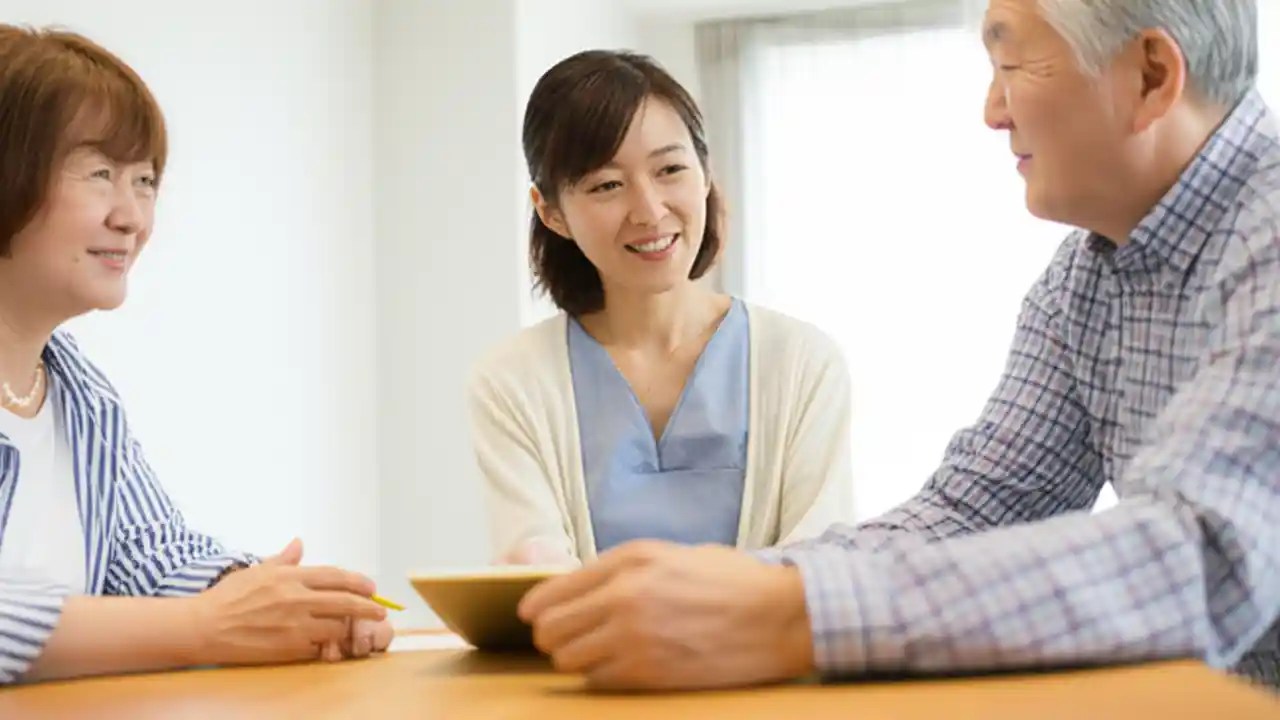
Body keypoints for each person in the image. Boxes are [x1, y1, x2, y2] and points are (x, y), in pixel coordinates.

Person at [518, 0, 1280, 691]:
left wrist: (793, 612)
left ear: (1150, 75)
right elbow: (979, 505)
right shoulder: (1084, 280)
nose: (991, 111)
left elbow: (1203, 554)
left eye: (1013, 65)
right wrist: (721, 592)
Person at [0, 25, 392, 685]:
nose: (132, 216)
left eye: (145, 180)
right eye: (100, 174)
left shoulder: (79, 396)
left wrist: (287, 604)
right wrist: (205, 627)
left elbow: (149, 555)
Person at [468, 50, 854, 566]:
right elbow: (532, 573)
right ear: (551, 212)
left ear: (705, 173)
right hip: (581, 651)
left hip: (763, 650)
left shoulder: (803, 363)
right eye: (607, 185)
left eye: (670, 169)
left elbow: (820, 568)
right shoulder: (513, 380)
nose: (649, 211)